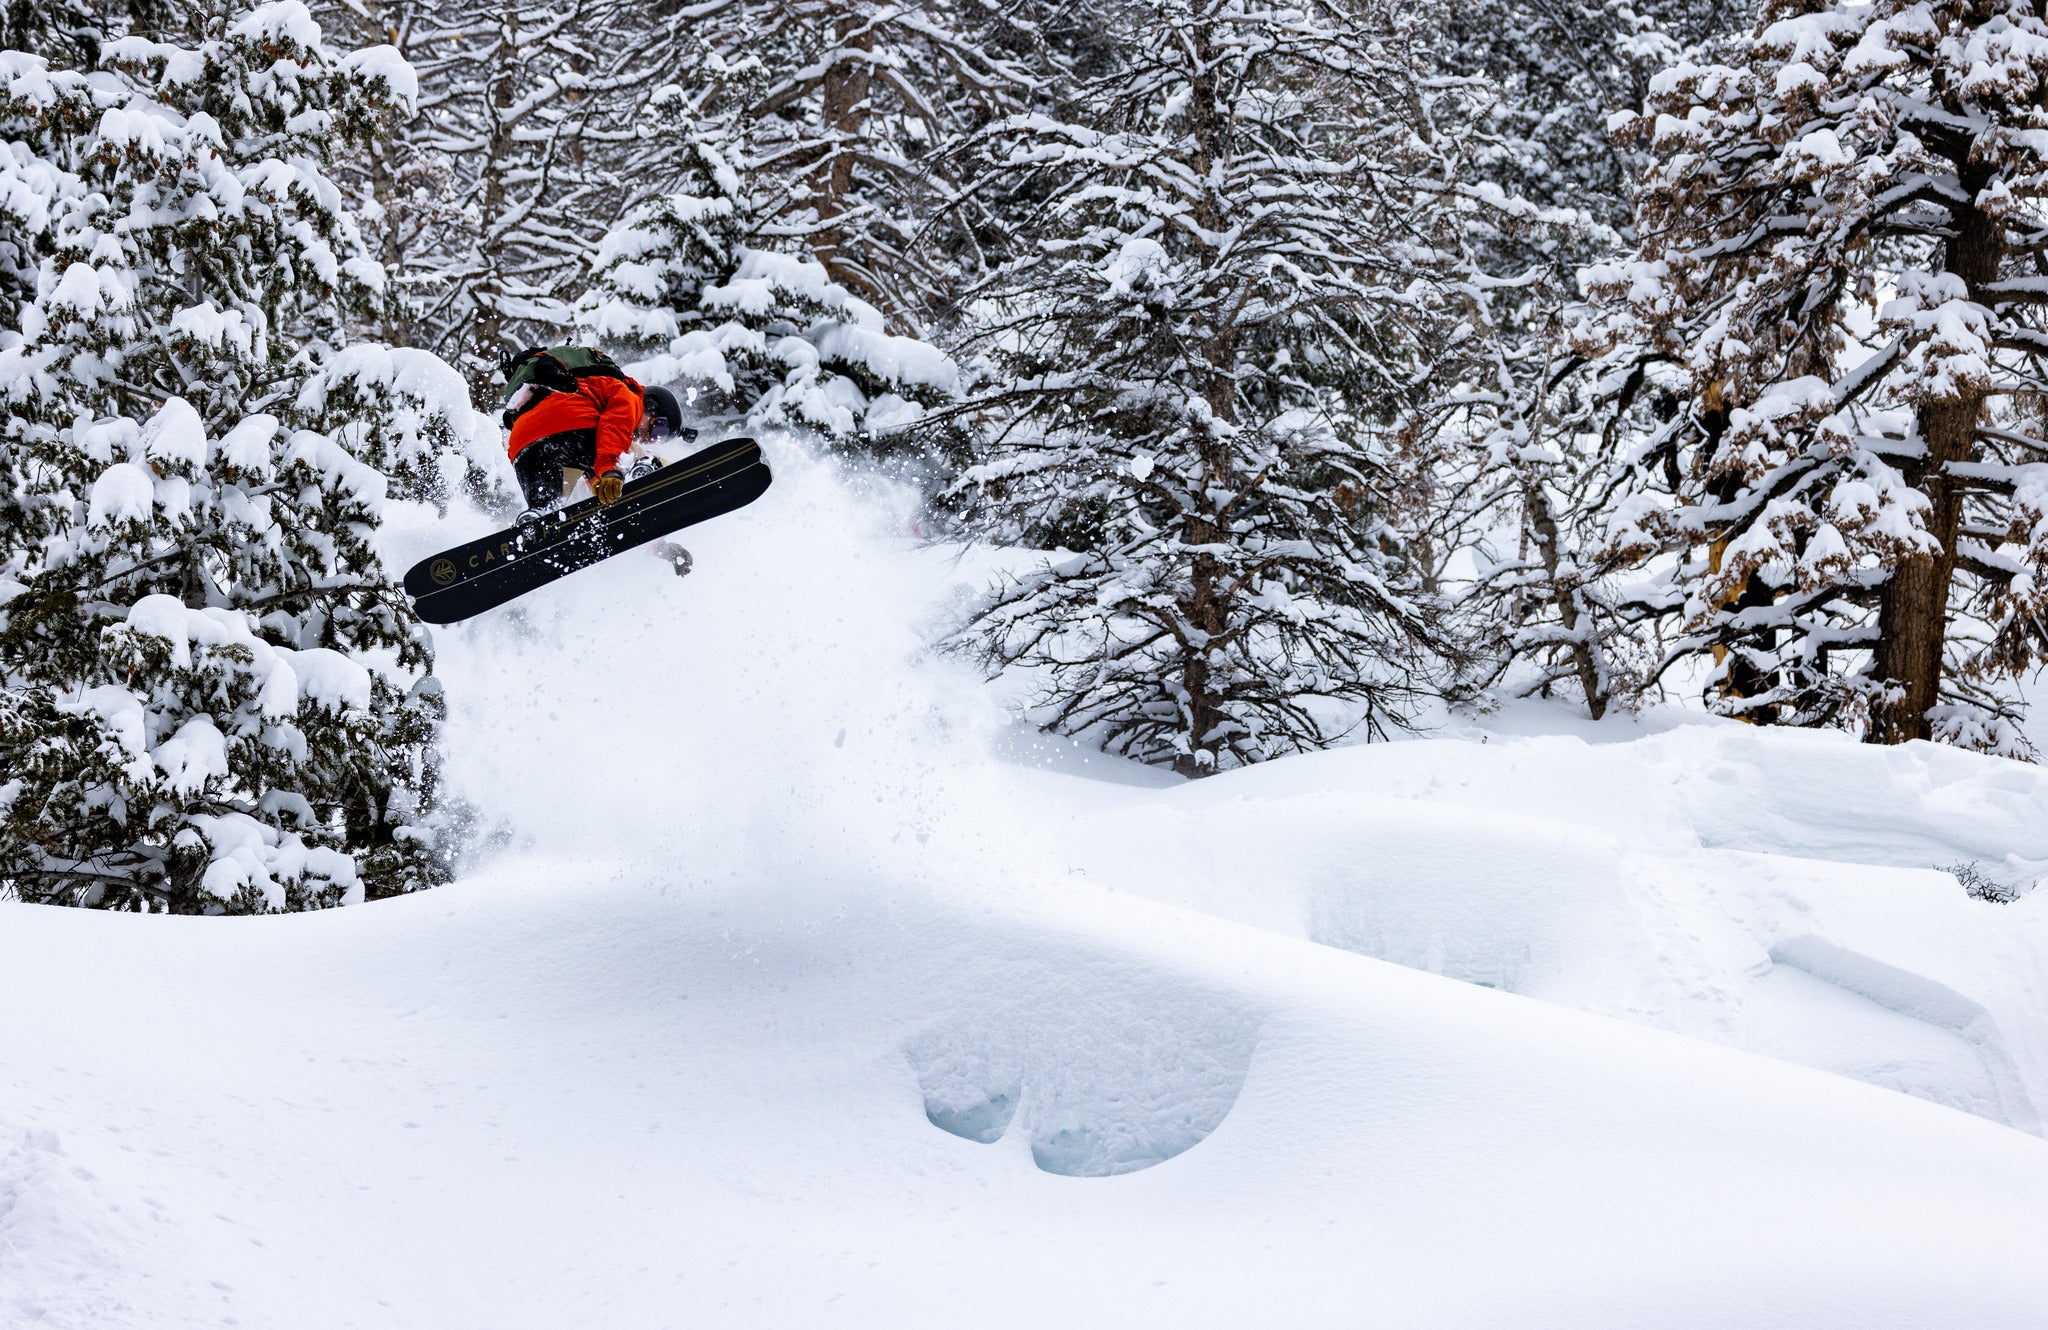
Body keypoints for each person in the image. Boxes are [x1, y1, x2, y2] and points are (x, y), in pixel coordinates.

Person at [499, 345, 686, 521]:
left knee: (547, 508)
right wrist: (610, 469)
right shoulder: (628, 394)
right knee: (624, 447)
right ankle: (642, 469)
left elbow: (609, 498)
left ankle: (536, 522)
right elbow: (614, 424)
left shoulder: (582, 386)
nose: (649, 438)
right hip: (572, 425)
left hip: (523, 443)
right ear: (650, 405)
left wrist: (659, 546)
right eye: (658, 429)